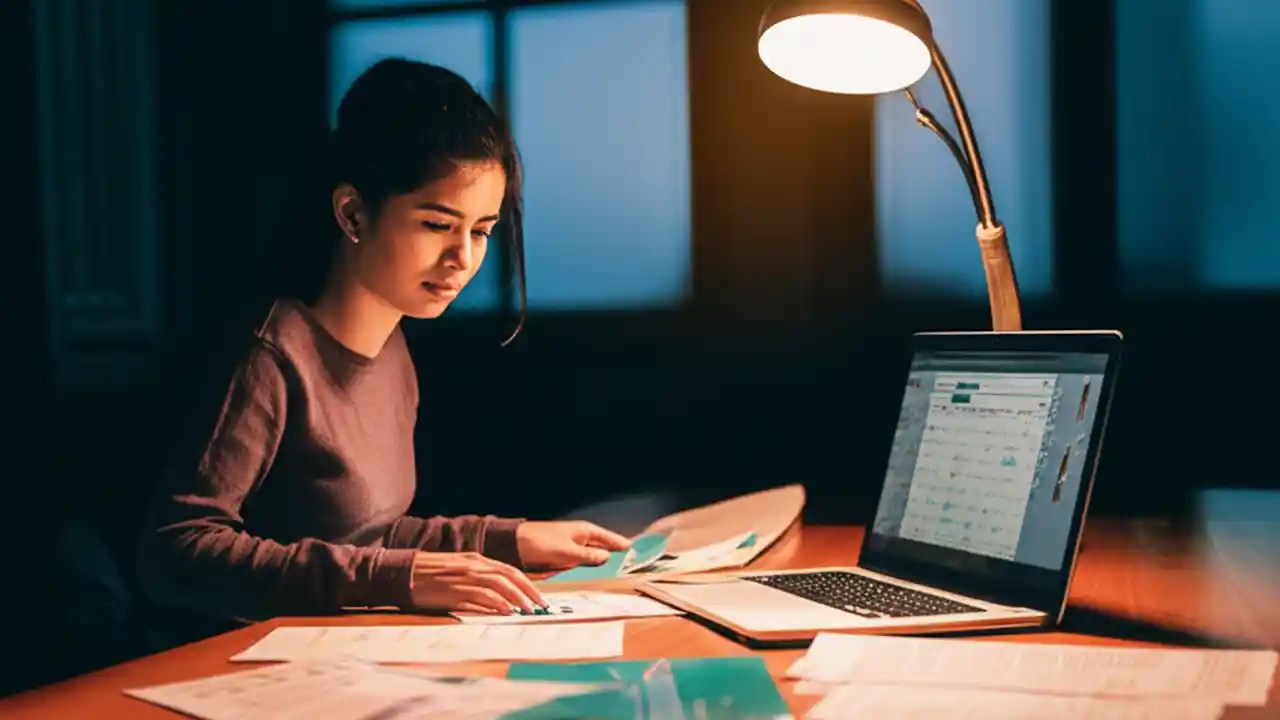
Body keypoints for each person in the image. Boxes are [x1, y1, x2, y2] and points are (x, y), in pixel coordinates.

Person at [137, 58, 630, 643]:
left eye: (481, 231)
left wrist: (508, 539)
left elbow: (367, 536)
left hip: (337, 653)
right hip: (225, 663)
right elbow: (177, 549)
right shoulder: (271, 350)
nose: (463, 259)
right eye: (435, 224)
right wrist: (398, 578)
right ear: (352, 213)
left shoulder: (392, 347)